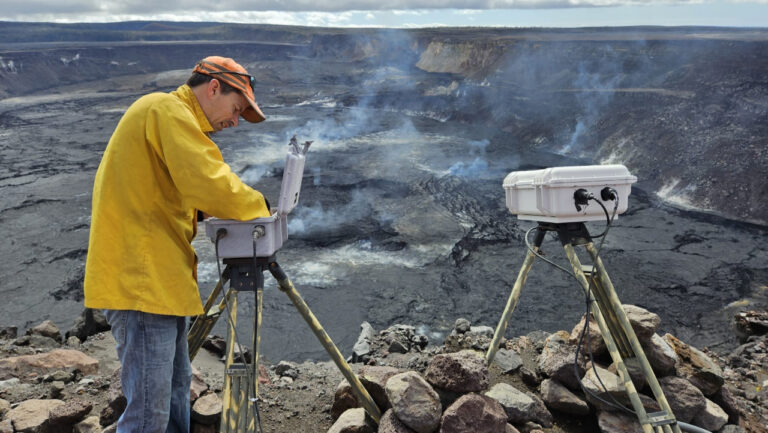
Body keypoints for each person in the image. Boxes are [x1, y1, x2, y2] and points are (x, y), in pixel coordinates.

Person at [83, 56, 271, 433]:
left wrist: (203, 214)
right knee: (148, 415)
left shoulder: (166, 117)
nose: (234, 121)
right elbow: (208, 181)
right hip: (141, 285)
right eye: (237, 109)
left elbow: (175, 195)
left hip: (159, 283)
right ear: (214, 87)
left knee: (172, 397)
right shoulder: (167, 110)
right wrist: (261, 207)